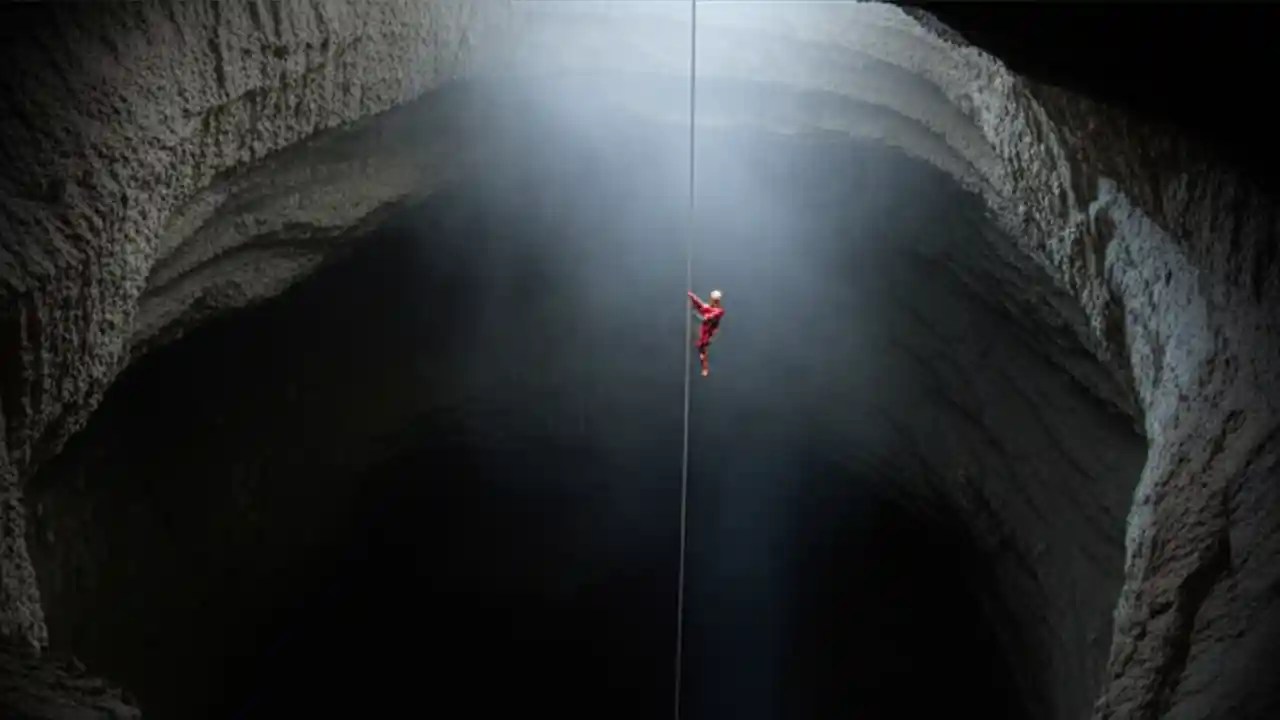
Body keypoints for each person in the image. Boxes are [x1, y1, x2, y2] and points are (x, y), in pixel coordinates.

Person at [688, 289, 725, 377]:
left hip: (710, 332)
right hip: (705, 329)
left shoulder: (719, 311)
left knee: (702, 348)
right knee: (701, 348)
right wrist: (692, 296)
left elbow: (709, 316)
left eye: (714, 300)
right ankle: (704, 368)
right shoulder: (709, 308)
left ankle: (705, 368)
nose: (712, 301)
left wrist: (701, 315)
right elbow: (701, 305)